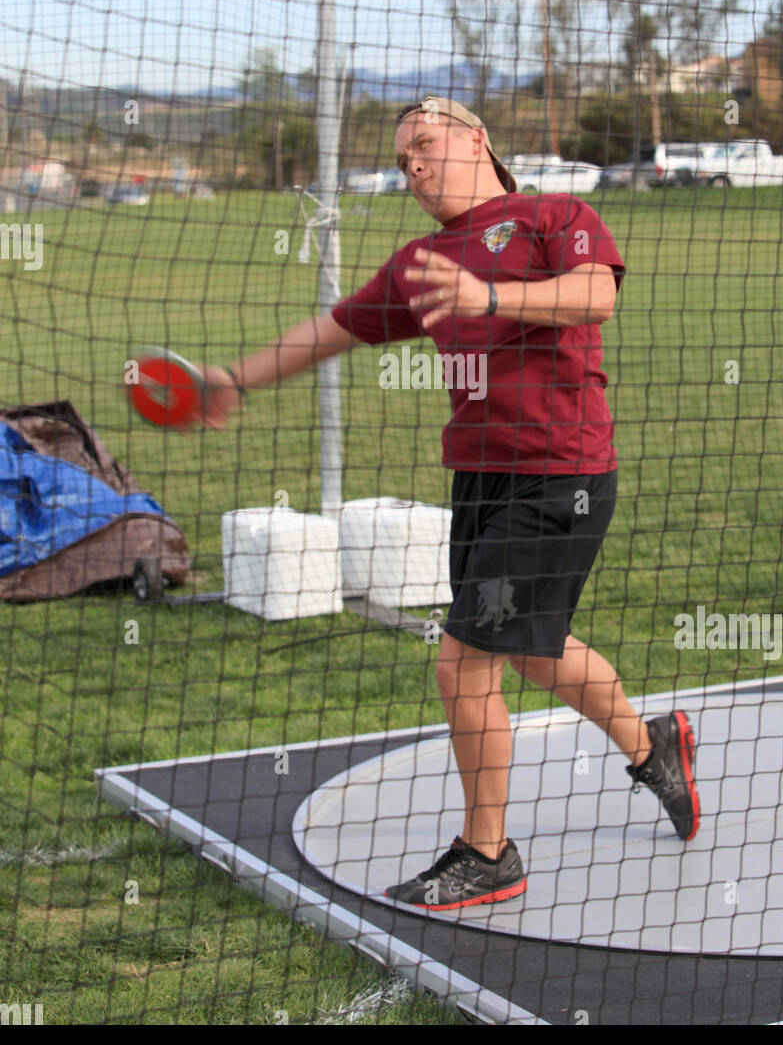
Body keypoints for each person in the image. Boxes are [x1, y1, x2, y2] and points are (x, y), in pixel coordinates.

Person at [197, 95, 700, 911]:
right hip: (479, 479)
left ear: (477, 140)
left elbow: (594, 294)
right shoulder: (420, 262)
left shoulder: (551, 213)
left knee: (463, 663)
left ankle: (489, 854)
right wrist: (232, 379)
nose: (415, 170)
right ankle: (655, 749)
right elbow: (332, 331)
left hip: (560, 474)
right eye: (402, 162)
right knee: (536, 652)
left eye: (425, 147)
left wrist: (489, 298)